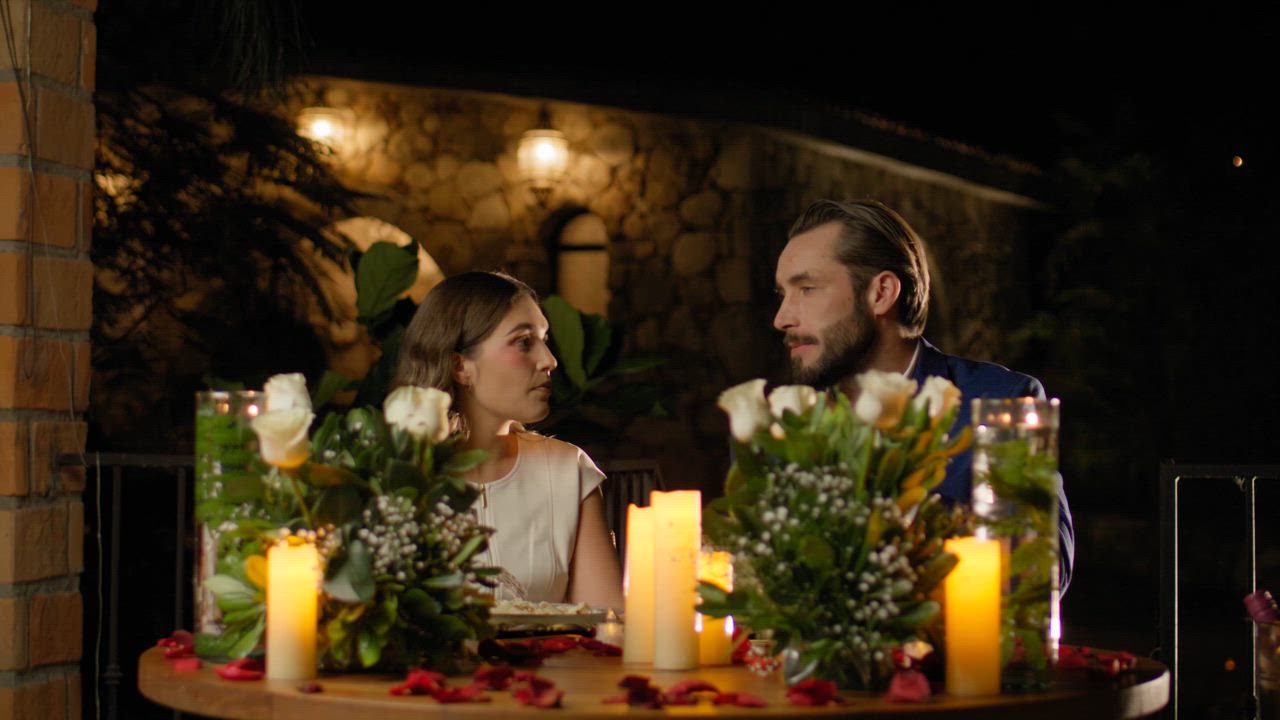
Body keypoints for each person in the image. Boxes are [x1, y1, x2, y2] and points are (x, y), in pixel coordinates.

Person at [772, 199, 1074, 591]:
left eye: (807, 289)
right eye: (782, 294)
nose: (782, 318)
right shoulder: (786, 425)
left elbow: (1034, 575)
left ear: (881, 293)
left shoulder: (998, 403)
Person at [394, 271, 624, 608]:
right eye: (523, 342)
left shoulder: (568, 470)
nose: (550, 360)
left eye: (545, 339)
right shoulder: (395, 476)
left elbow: (607, 626)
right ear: (460, 367)